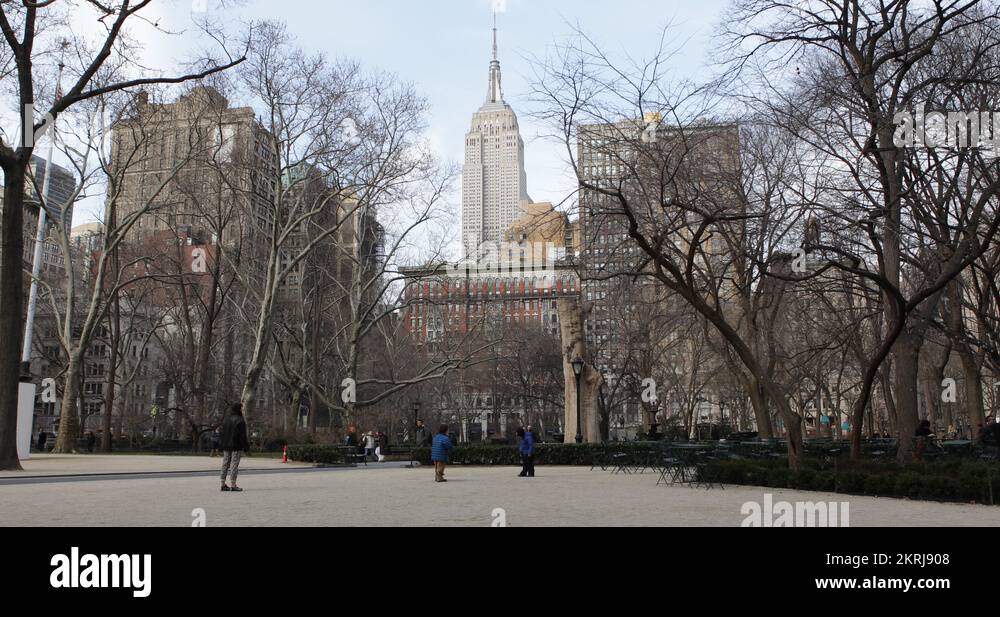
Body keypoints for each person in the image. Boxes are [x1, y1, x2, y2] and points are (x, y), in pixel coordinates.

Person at [220, 403, 250, 492]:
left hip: (226, 445)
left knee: (225, 463)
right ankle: (233, 484)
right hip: (236, 445)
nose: (242, 410)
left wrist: (222, 444)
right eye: (241, 408)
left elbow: (222, 433)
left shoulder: (226, 419)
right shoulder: (240, 420)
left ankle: (222, 483)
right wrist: (246, 446)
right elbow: (242, 436)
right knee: (234, 464)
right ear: (238, 409)